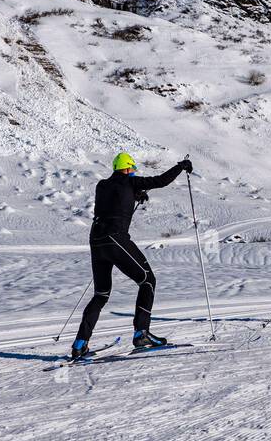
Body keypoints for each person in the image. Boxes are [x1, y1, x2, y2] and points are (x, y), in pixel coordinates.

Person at [71, 152, 193, 359]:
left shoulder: (101, 185)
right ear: (127, 169)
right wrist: (181, 166)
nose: (134, 172)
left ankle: (80, 343)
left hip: (96, 241)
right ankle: (141, 333)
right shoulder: (131, 181)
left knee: (101, 294)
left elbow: (114, 197)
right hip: (116, 239)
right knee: (147, 280)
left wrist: (134, 195)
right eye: (133, 169)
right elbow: (161, 181)